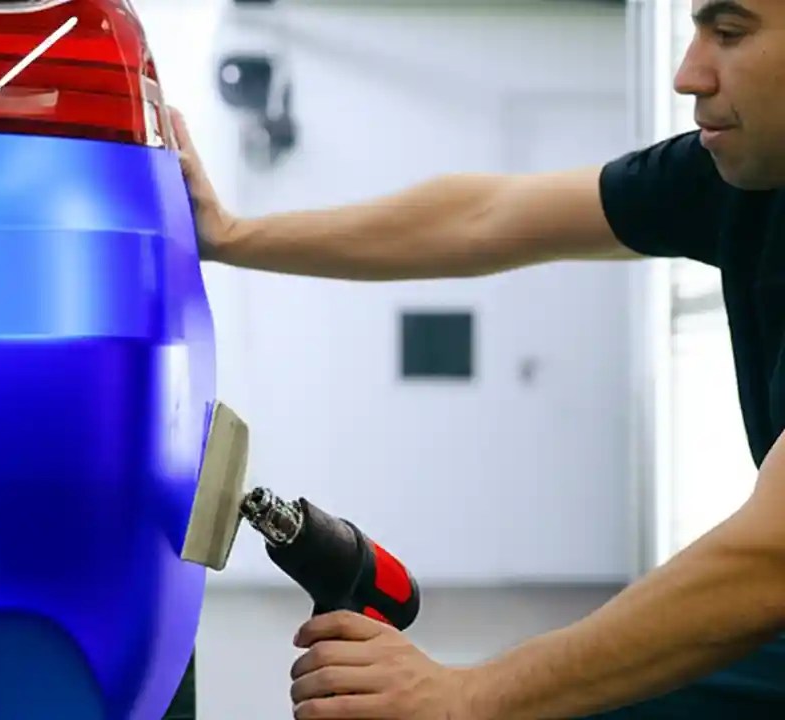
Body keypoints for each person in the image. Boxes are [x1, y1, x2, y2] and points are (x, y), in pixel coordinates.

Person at [171, 0, 785, 717]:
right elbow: (481, 218)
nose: (688, 74)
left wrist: (468, 695)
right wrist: (236, 235)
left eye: (731, 33)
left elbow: (770, 557)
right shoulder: (737, 179)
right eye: (693, 31)